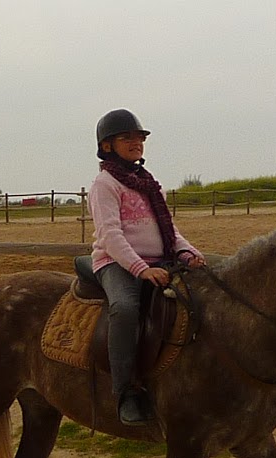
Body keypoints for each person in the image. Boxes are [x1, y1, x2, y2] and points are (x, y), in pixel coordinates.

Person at [88, 109, 207, 425]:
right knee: (126, 308)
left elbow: (169, 231)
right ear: (108, 145)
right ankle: (125, 391)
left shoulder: (149, 184)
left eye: (139, 137)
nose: (136, 142)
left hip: (159, 261)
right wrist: (141, 270)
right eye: (127, 137)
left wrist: (189, 254)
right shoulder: (104, 184)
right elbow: (110, 236)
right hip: (116, 263)